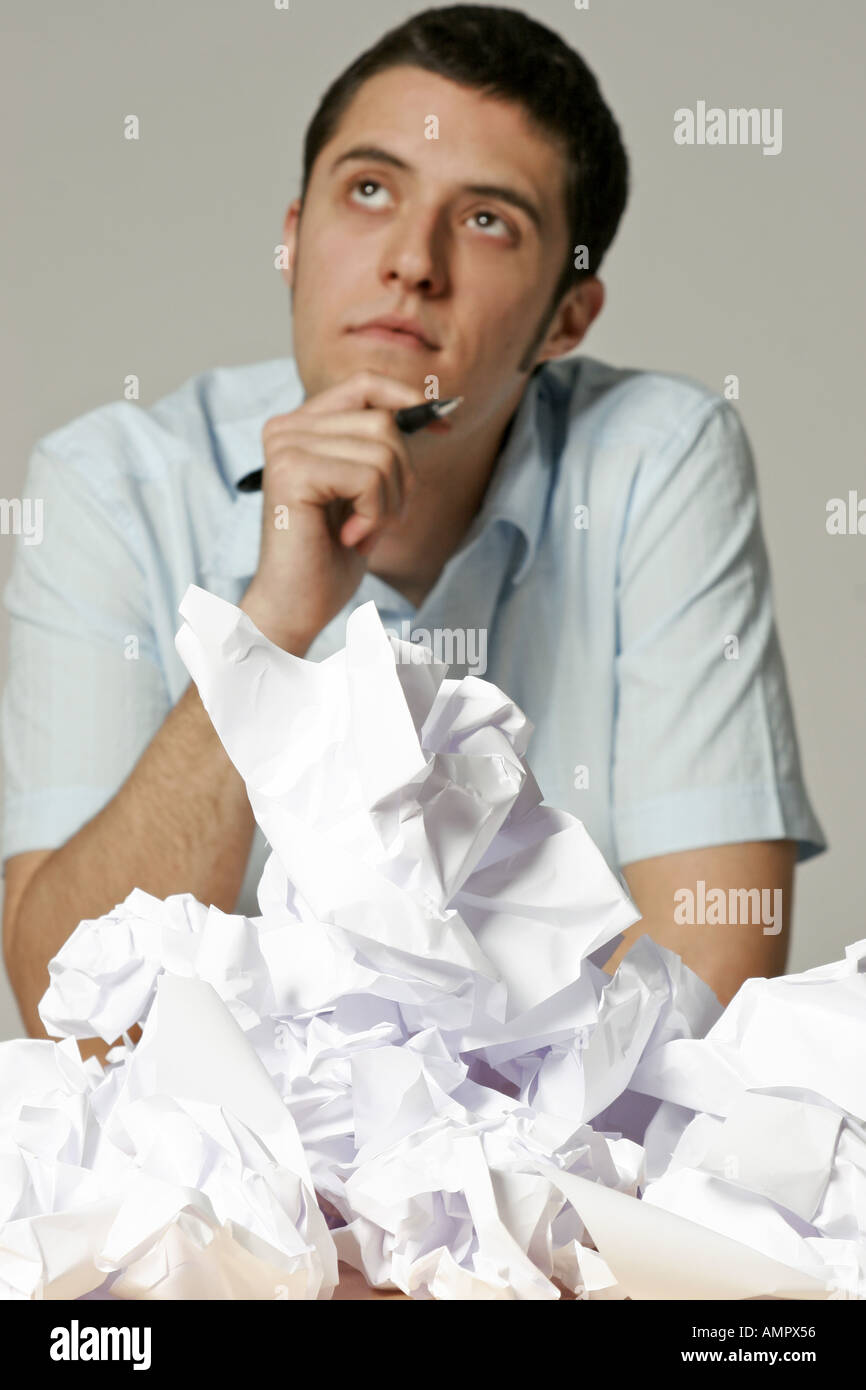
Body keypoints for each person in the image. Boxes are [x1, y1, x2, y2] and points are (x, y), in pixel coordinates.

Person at [1, 6, 825, 1067]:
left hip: (555, 1220)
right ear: (292, 240)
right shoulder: (109, 482)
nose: (410, 261)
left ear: (566, 320)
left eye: (486, 220)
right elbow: (74, 1018)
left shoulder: (654, 457)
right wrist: (271, 625)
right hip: (214, 1218)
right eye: (371, 190)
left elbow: (708, 1011)